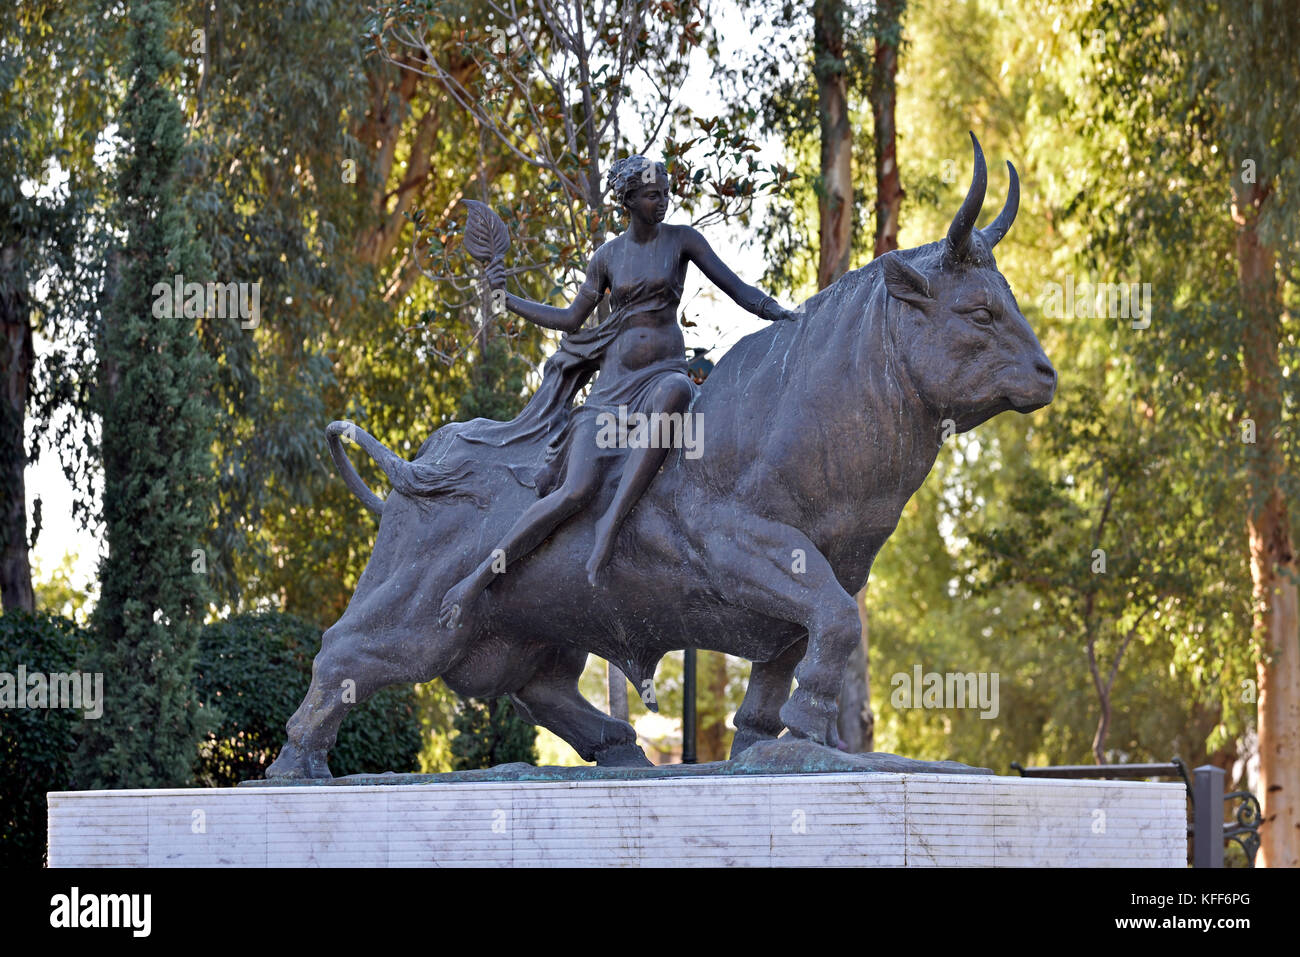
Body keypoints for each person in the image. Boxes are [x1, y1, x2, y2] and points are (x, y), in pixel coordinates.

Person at [438, 155, 797, 629]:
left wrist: (781, 315)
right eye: (652, 194)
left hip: (661, 375)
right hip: (611, 390)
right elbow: (570, 320)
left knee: (677, 393)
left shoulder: (682, 240)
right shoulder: (606, 257)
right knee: (575, 490)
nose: (663, 200)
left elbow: (735, 286)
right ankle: (477, 579)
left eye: (666, 192)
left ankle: (612, 524)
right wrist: (509, 300)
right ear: (628, 200)